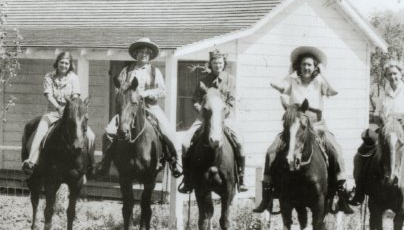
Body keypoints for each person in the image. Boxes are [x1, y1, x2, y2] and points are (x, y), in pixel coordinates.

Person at [252, 46, 354, 215]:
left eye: (310, 65)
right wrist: (289, 72)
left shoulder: (320, 82)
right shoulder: (292, 81)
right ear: (298, 66)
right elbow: (274, 84)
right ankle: (267, 195)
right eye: (303, 65)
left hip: (317, 123)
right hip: (295, 123)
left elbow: (334, 91)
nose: (306, 68)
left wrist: (323, 73)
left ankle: (341, 194)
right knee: (271, 151)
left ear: (315, 67)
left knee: (336, 149)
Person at [350, 60, 404, 212]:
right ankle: (359, 192)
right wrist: (382, 120)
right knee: (360, 155)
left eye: (395, 73)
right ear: (386, 77)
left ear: (401, 74)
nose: (393, 77)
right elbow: (377, 114)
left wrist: (402, 125)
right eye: (389, 74)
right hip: (385, 132)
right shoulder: (383, 95)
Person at [95, 38, 182, 178]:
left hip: (150, 107)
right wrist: (127, 95)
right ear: (136, 54)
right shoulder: (127, 70)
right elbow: (119, 89)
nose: (144, 55)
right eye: (141, 52)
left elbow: (163, 90)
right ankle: (105, 163)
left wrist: (146, 93)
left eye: (147, 53)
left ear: (150, 56)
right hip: (130, 108)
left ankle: (174, 162)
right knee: (109, 131)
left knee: (168, 131)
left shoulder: (155, 72)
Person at [178, 49, 248, 194]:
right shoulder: (204, 81)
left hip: (225, 117)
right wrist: (204, 111)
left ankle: (241, 178)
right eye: (215, 62)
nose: (218, 65)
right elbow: (196, 100)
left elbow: (232, 101)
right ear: (210, 64)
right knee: (185, 143)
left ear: (224, 64)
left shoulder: (231, 80)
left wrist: (220, 112)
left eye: (220, 62)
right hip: (205, 117)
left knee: (240, 142)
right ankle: (187, 179)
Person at [22, 51, 95, 175]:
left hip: (70, 114)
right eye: (62, 62)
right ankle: (31, 161)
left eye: (67, 63)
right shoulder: (49, 77)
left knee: (90, 136)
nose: (64, 65)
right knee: (40, 132)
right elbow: (49, 95)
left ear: (70, 65)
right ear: (57, 63)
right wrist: (58, 107)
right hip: (52, 113)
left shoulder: (74, 78)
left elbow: (75, 96)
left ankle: (91, 164)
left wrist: (70, 109)